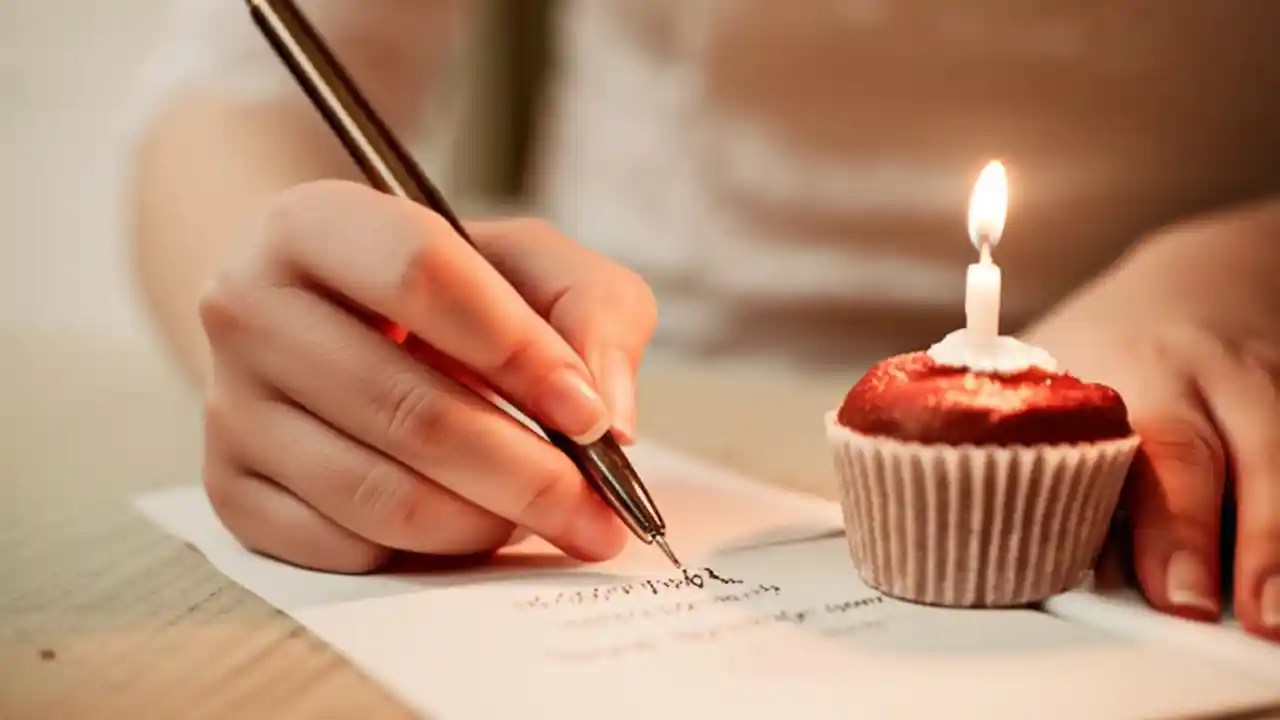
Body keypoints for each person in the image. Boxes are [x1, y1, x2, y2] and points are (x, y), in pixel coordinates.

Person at [127, 0, 1280, 641]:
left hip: (1204, 392)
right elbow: (246, 88)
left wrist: (1238, 268)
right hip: (624, 385)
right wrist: (319, 337)